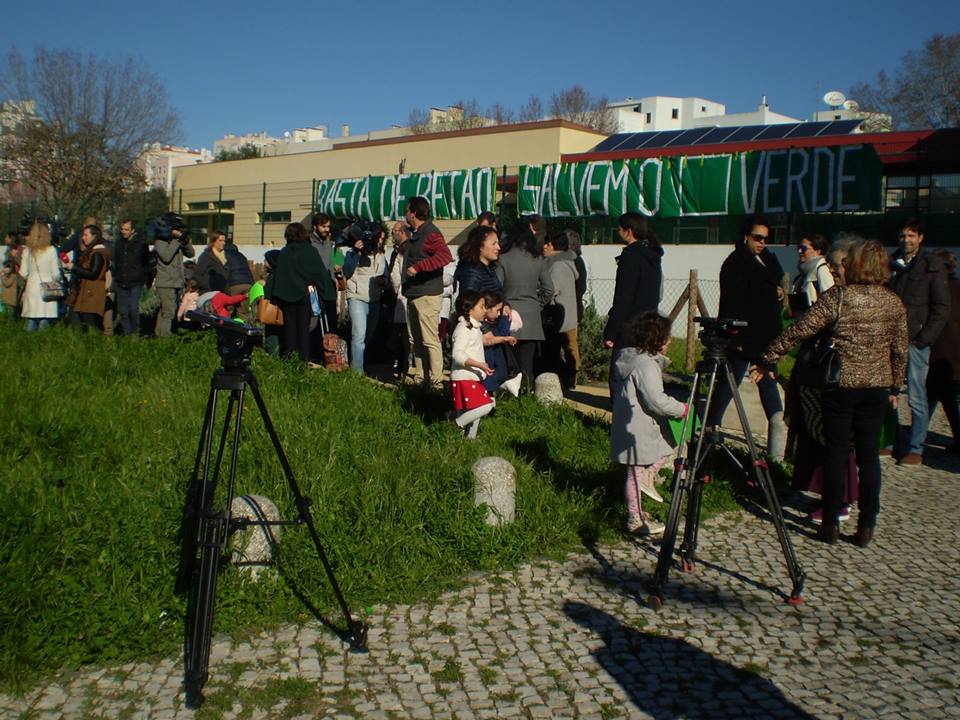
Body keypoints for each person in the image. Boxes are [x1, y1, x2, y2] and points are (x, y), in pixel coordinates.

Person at [753, 239, 908, 546]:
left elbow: (800, 329)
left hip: (841, 386)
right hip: (876, 387)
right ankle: (866, 524)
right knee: (868, 457)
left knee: (836, 453)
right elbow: (900, 350)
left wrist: (769, 355)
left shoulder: (839, 298)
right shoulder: (893, 302)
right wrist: (895, 385)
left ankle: (831, 523)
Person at [708, 215, 786, 460]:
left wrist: (779, 292)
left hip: (766, 338)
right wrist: (735, 336)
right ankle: (711, 429)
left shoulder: (768, 260)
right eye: (757, 238)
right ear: (746, 236)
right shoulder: (735, 264)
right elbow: (733, 302)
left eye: (766, 238)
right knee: (729, 382)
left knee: (768, 381)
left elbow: (775, 285)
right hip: (743, 336)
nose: (762, 242)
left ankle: (776, 441)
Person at [610, 312, 688, 537]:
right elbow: (655, 400)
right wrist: (682, 408)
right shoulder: (647, 366)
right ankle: (635, 519)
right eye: (667, 337)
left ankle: (640, 510)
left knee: (651, 459)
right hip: (639, 427)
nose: (670, 341)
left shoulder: (632, 359)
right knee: (636, 473)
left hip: (633, 423)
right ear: (656, 340)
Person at [887, 218, 950, 467]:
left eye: (911, 236)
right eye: (903, 236)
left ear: (920, 238)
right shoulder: (894, 263)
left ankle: (915, 448)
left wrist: (924, 340)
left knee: (916, 396)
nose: (906, 240)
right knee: (888, 393)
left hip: (916, 341)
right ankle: (890, 443)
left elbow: (941, 308)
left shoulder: (931, 265)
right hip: (892, 339)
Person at [402, 196, 453, 389]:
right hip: (414, 294)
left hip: (427, 295)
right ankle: (420, 378)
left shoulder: (431, 233)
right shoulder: (416, 233)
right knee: (417, 341)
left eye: (407, 210)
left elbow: (445, 256)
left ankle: (436, 381)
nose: (405, 213)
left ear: (414, 212)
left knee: (430, 340)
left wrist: (419, 267)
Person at [265, 222, 335, 362]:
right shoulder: (309, 251)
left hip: (286, 298)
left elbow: (278, 275)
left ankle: (290, 358)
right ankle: (303, 359)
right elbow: (320, 273)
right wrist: (328, 294)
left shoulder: (285, 252)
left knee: (289, 329)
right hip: (304, 296)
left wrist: (271, 294)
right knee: (304, 329)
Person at [497, 223, 553, 389]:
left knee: (509, 363)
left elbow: (497, 288)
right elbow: (549, 289)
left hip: (508, 316)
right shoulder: (537, 259)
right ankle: (527, 396)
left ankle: (509, 397)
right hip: (532, 318)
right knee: (527, 364)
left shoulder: (503, 259)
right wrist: (537, 305)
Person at [926, 250, 960, 454]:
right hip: (951, 354)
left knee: (936, 394)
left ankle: (916, 438)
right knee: (942, 395)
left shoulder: (936, 290)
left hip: (942, 350)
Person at [450, 289, 496, 439]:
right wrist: (479, 364)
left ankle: (469, 439)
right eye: (482, 306)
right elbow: (457, 354)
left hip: (472, 376)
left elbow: (476, 344)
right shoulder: (463, 328)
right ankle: (455, 424)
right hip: (465, 377)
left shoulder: (474, 328)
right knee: (486, 405)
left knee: (473, 410)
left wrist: (503, 339)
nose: (485, 310)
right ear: (470, 309)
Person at [342, 223, 387, 373]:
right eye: (379, 238)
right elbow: (346, 271)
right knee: (359, 335)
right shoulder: (353, 252)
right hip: (357, 297)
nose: (381, 241)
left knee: (368, 336)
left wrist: (383, 281)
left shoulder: (381, 255)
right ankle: (357, 372)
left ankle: (362, 363)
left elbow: (386, 276)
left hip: (375, 298)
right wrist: (356, 252)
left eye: (382, 239)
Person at [542, 231, 580, 390]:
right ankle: (570, 379)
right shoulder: (568, 263)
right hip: (568, 316)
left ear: (555, 247)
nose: (544, 246)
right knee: (569, 348)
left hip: (557, 318)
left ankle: (567, 380)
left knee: (559, 352)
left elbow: (551, 290)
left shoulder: (556, 266)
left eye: (548, 244)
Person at [63, 224, 111, 332]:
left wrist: (74, 268)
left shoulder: (97, 254)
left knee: (91, 324)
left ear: (94, 236)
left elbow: (93, 273)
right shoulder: (91, 252)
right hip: (85, 292)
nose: (83, 238)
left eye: (86, 235)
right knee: (79, 322)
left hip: (91, 293)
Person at [153, 217, 195, 336]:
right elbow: (166, 257)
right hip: (165, 282)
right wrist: (177, 241)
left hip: (177, 281)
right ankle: (165, 336)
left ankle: (160, 333)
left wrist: (185, 241)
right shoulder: (160, 241)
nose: (177, 231)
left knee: (166, 311)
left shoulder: (177, 241)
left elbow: (191, 254)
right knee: (168, 311)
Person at [17, 223, 61, 331]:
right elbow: (56, 274)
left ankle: (27, 344)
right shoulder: (51, 250)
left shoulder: (27, 251)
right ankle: (41, 345)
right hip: (47, 287)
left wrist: (31, 277)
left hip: (32, 287)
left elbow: (23, 272)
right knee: (45, 317)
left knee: (31, 318)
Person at [111, 219, 151, 336]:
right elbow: (116, 261)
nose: (123, 231)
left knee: (133, 308)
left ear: (133, 230)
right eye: (122, 229)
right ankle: (127, 334)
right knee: (123, 311)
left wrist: (144, 278)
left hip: (136, 282)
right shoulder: (119, 243)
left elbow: (146, 263)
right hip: (121, 281)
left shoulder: (141, 244)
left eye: (126, 229)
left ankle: (135, 331)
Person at [480, 289, 522, 397]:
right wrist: (504, 337)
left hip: (496, 366)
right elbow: (490, 340)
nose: (499, 314)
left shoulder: (492, 323)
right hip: (488, 365)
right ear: (487, 308)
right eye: (497, 310)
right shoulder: (483, 326)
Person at [388, 221, 411, 380]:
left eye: (394, 231)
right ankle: (404, 368)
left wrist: (399, 291)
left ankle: (404, 368)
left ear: (402, 232)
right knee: (406, 336)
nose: (392, 234)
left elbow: (395, 277)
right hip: (407, 297)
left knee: (405, 336)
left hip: (405, 296)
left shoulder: (404, 251)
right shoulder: (399, 251)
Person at [789, 234, 834, 314]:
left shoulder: (822, 269)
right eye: (798, 248)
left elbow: (830, 300)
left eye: (803, 248)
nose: (799, 251)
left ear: (818, 251)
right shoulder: (804, 273)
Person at [454, 224, 503, 296]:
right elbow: (468, 303)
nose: (498, 247)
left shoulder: (490, 268)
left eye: (498, 243)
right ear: (480, 246)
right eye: (493, 244)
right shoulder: (471, 273)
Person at [224, 239, 254, 323]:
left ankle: (227, 330)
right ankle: (245, 330)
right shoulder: (242, 255)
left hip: (233, 284)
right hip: (248, 284)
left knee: (228, 308)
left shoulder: (224, 255)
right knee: (244, 311)